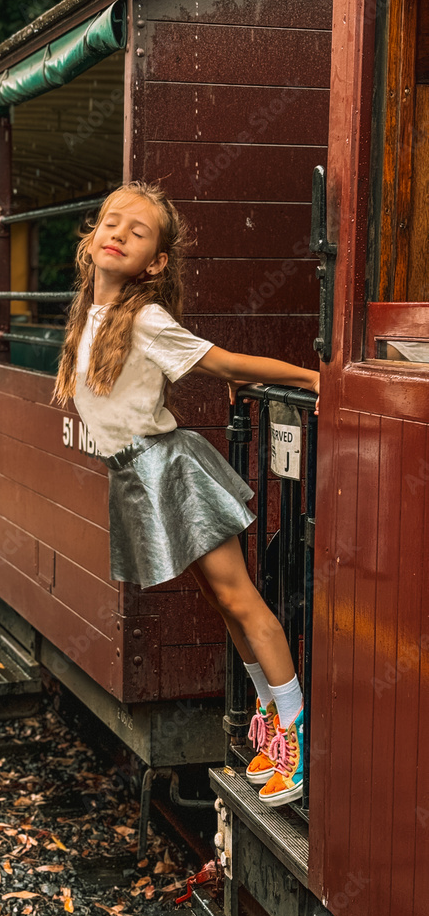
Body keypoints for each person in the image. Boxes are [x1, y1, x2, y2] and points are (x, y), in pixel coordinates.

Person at [53, 182, 320, 806]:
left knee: (240, 597)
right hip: (136, 474)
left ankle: (295, 731)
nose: (117, 233)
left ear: (157, 263)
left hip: (169, 470)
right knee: (221, 603)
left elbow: (223, 364)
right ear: (91, 238)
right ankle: (270, 712)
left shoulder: (144, 318)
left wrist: (312, 377)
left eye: (136, 231)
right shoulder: (91, 312)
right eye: (110, 223)